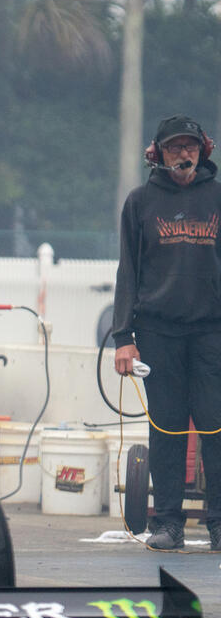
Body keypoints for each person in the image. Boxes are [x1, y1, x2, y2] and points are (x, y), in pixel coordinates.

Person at [112, 113, 221, 551]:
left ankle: (219, 525)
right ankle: (170, 524)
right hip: (157, 332)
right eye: (175, 148)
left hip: (212, 333)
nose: (183, 155)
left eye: (190, 147)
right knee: (169, 429)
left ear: (203, 151)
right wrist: (123, 337)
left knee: (215, 428)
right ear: (157, 154)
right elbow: (128, 272)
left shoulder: (217, 197)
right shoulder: (140, 202)